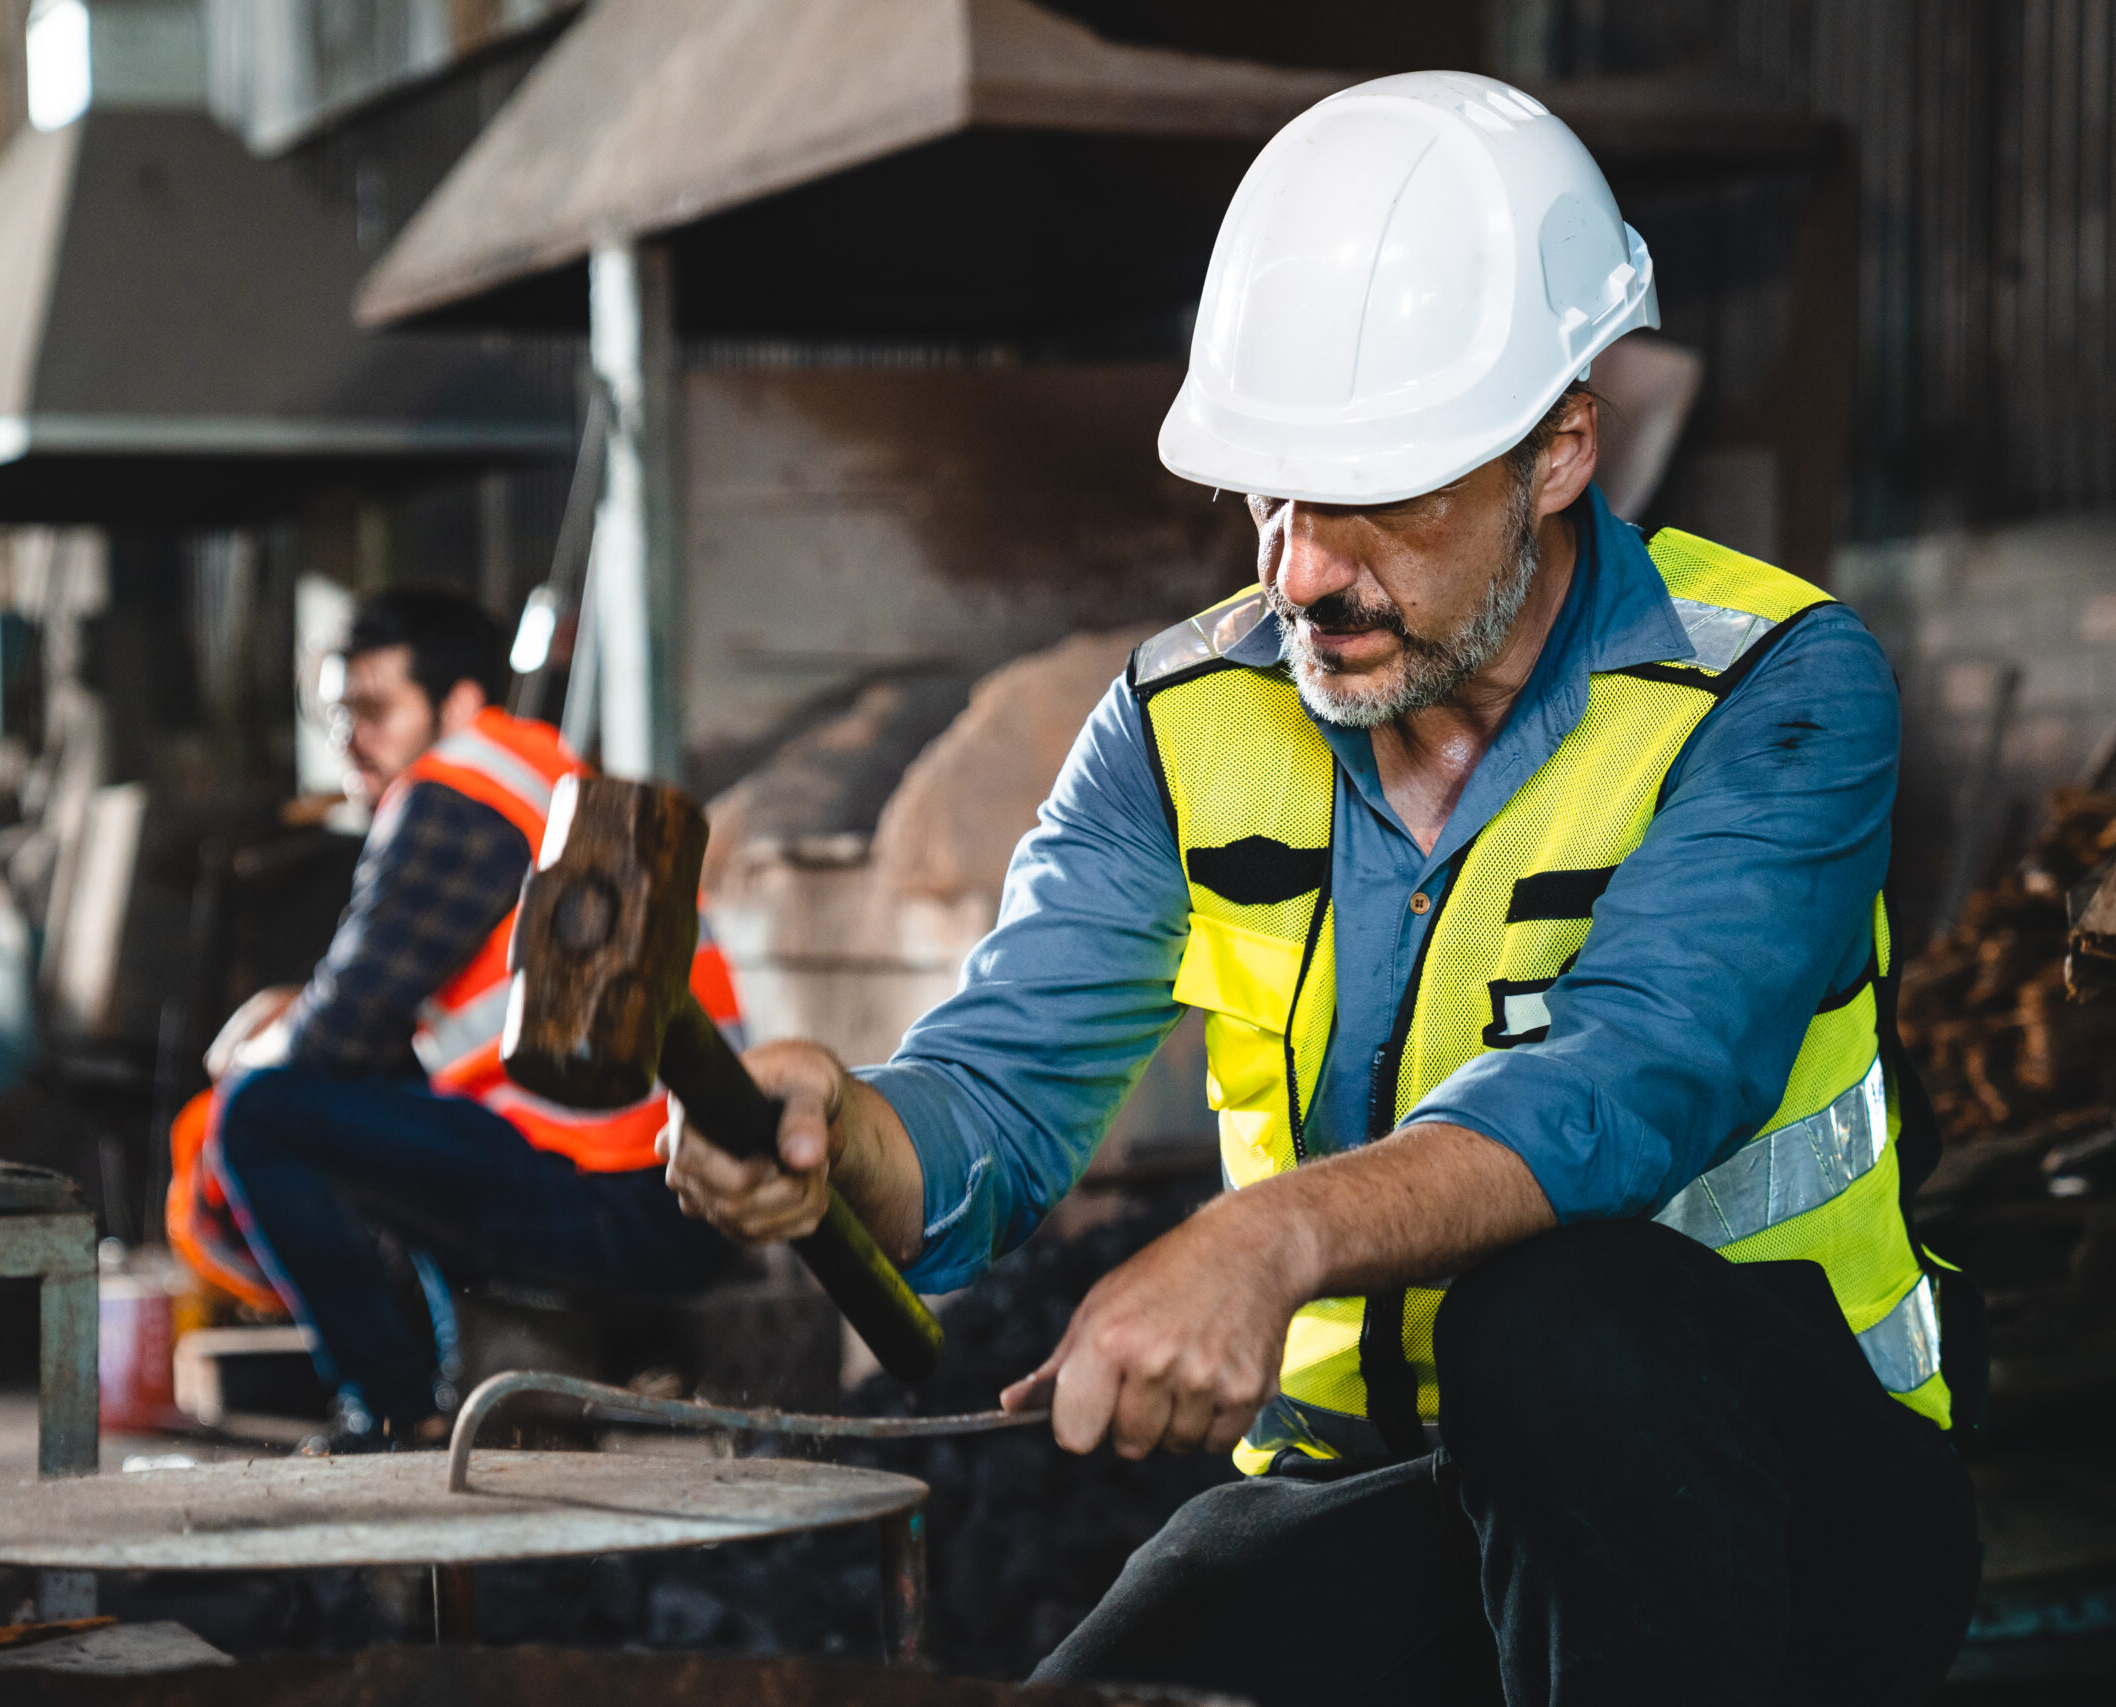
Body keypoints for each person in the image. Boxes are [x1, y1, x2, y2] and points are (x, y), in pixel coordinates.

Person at [662, 72, 1978, 1705]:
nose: (1300, 569)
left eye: (1382, 492)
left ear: (1563, 448)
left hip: (1789, 1506)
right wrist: (834, 1136)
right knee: (1151, 1644)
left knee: (1559, 1319)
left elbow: (1643, 1074)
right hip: (1386, 1487)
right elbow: (996, 1097)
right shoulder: (1183, 717)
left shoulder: (1774, 688)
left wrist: (1269, 1240)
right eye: (1277, 489)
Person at [183, 584, 740, 1450]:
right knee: (385, 1101)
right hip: (678, 1188)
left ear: (459, 704)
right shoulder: (539, 772)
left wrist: (254, 1049)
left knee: (260, 1115)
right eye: (336, 714)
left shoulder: (453, 791)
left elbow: (340, 1032)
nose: (349, 739)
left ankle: (393, 1413)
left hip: (620, 1196)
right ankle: (444, 1386)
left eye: (374, 709)